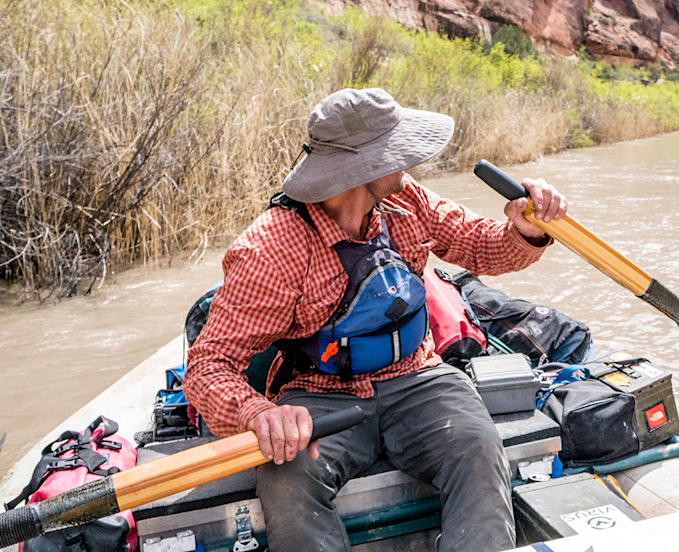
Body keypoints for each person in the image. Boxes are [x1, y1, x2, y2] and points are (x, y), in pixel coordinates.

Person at [184, 87, 568, 552]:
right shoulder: (271, 249)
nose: (408, 161)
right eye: (397, 150)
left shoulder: (407, 203)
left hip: (418, 377)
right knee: (288, 477)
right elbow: (208, 365)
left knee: (478, 446)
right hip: (320, 395)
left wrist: (525, 229)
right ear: (363, 169)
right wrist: (260, 414)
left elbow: (479, 243)